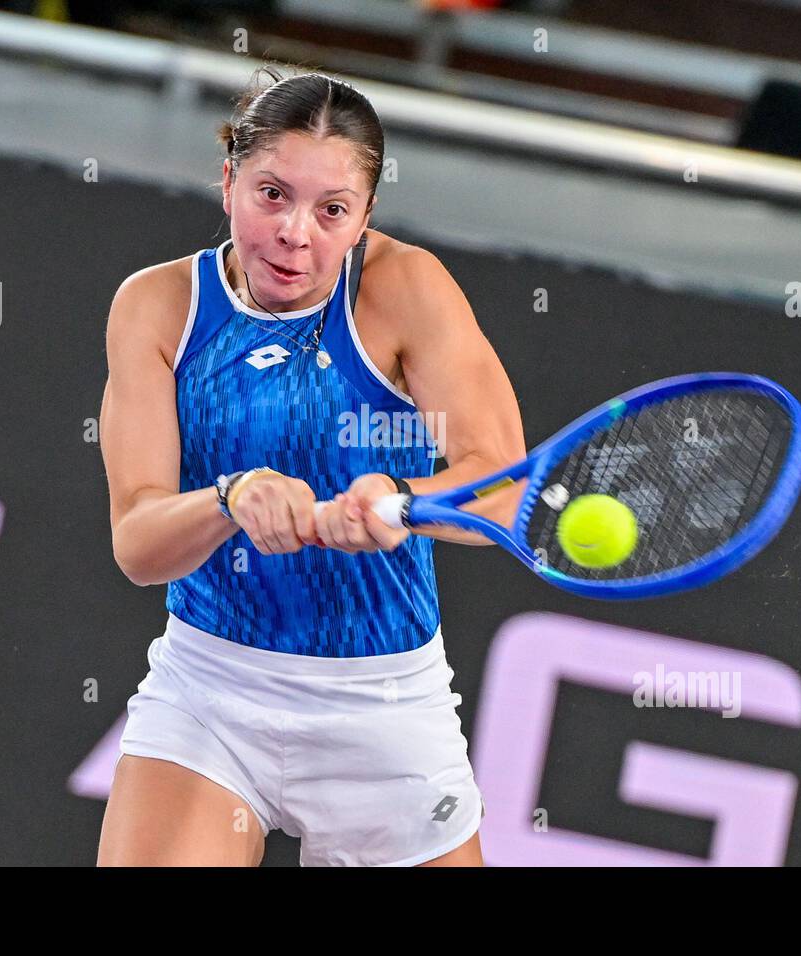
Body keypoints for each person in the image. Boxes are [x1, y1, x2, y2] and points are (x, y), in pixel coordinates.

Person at [96, 66, 525, 866]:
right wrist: (230, 497)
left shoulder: (406, 288)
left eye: (332, 210)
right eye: (271, 194)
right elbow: (138, 543)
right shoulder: (156, 307)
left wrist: (401, 501)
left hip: (384, 705)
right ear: (227, 183)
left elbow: (503, 489)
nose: (297, 232)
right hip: (211, 692)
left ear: (365, 217)